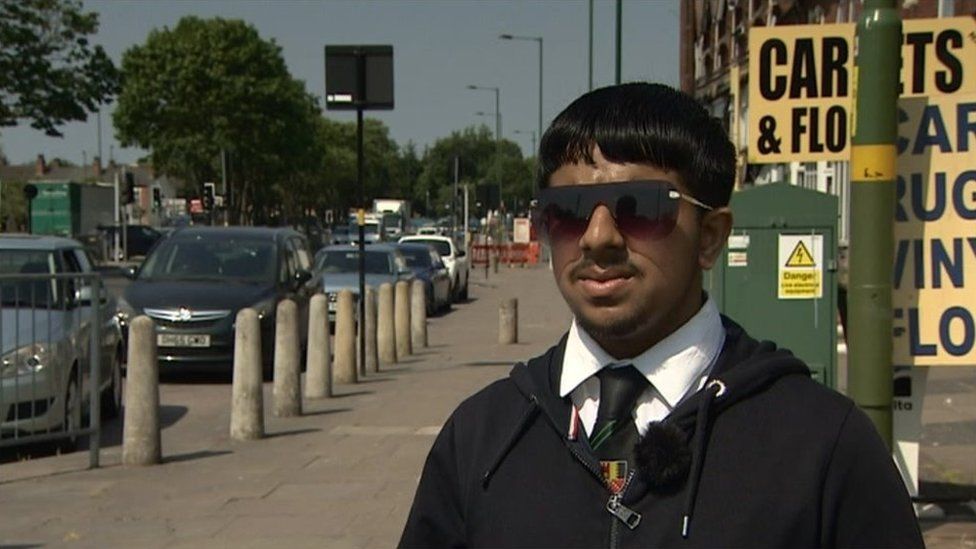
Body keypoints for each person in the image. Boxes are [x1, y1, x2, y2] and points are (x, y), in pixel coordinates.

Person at [398, 82, 922, 548]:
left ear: (710, 237)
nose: (598, 237)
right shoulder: (482, 438)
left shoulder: (821, 444)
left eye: (639, 207)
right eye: (569, 210)